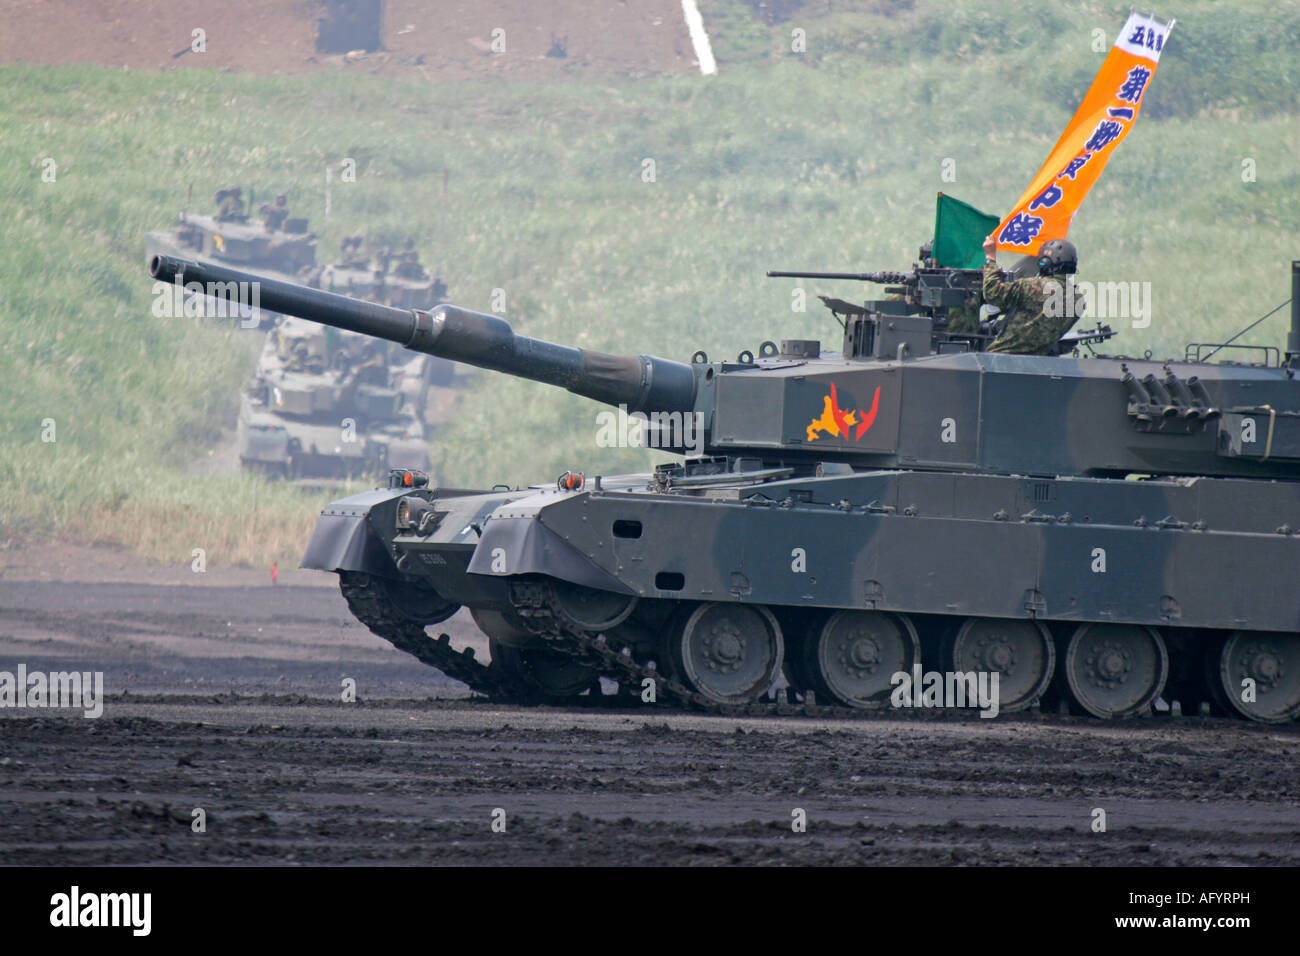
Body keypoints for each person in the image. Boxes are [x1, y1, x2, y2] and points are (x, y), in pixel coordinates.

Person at [981, 233, 1080, 355]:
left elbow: (993, 293)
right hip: (1037, 362)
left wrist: (990, 258)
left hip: (1001, 358)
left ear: (1047, 263)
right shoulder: (1077, 299)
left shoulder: (1031, 286)